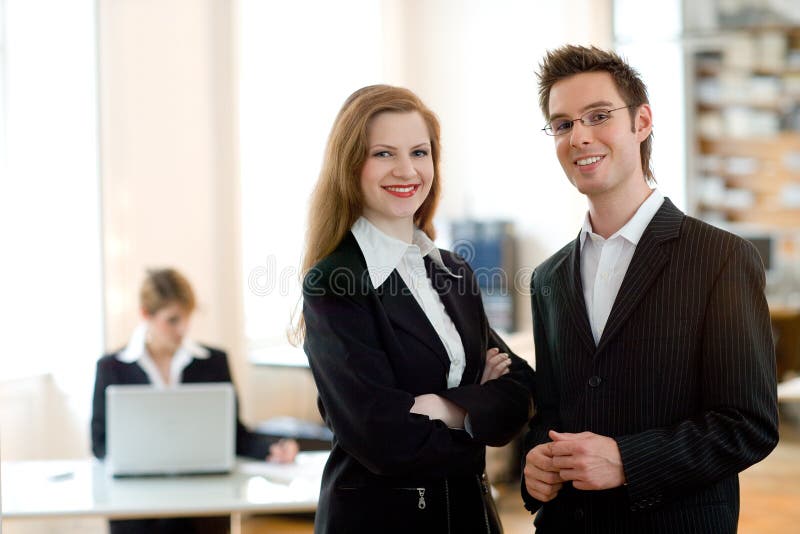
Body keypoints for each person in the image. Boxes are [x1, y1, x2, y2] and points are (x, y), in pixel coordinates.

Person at [520, 44, 779, 533]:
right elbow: (552, 413)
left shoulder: (721, 258)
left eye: (598, 116)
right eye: (562, 124)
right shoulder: (547, 278)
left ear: (642, 122)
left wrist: (627, 461)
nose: (579, 137)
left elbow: (749, 424)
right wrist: (535, 463)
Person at [298, 84, 535, 533]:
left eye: (419, 152)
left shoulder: (453, 272)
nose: (406, 170)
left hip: (469, 518)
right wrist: (478, 415)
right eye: (383, 154)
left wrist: (445, 410)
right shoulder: (334, 282)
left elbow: (521, 389)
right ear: (351, 165)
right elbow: (382, 438)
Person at [91, 268, 298, 534]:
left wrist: (272, 448)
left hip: (203, 504)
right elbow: (99, 443)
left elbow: (232, 435)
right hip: (136, 505)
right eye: (172, 320)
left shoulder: (213, 362)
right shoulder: (111, 368)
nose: (183, 329)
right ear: (146, 315)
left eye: (187, 317)